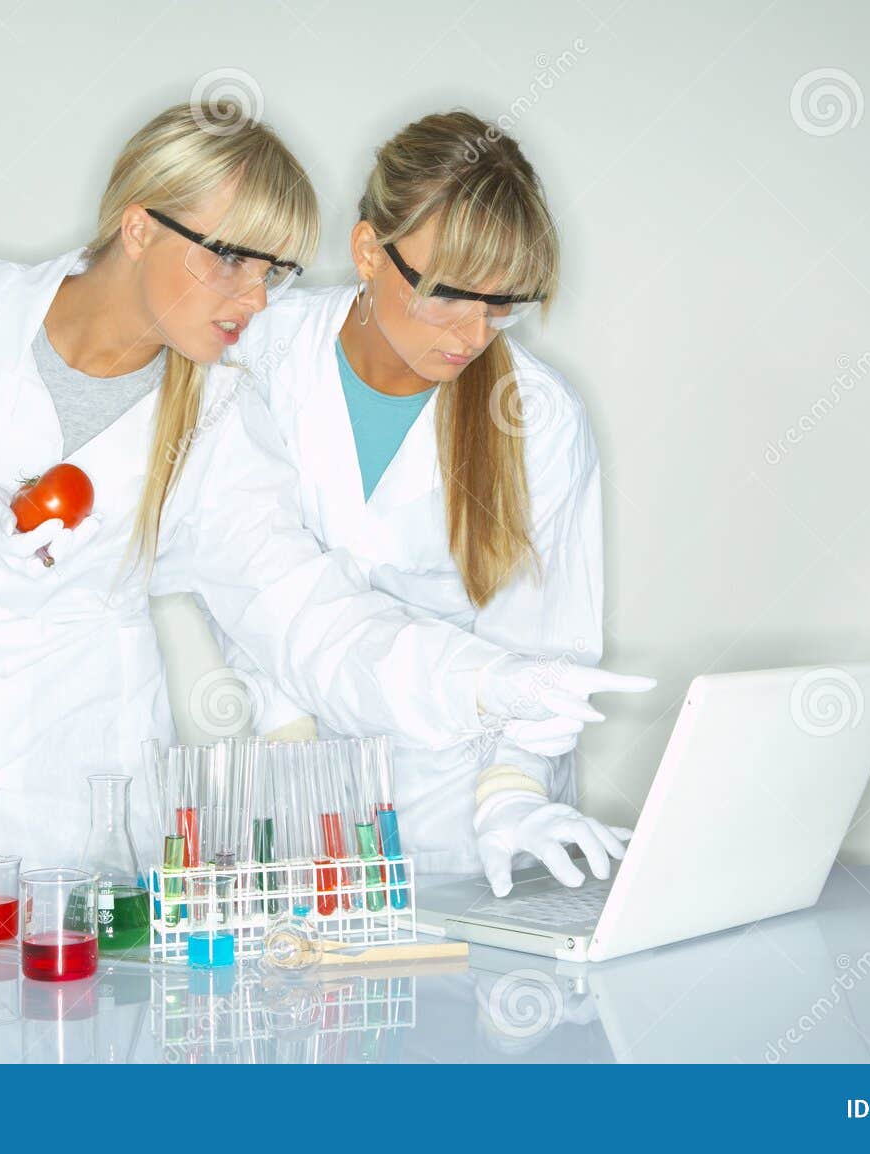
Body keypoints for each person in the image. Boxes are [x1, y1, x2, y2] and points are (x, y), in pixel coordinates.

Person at [0, 101, 651, 878]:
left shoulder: (221, 411)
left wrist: (484, 687)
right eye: (233, 260)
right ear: (140, 225)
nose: (257, 301)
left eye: (274, 272)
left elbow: (303, 608)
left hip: (103, 803)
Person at [220, 111, 646, 896]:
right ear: (368, 252)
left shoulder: (538, 417)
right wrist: (289, 742)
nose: (474, 332)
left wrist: (513, 793)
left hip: (469, 813)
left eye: (503, 304)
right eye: (450, 294)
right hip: (299, 782)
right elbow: (251, 577)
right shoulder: (260, 354)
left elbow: (546, 643)